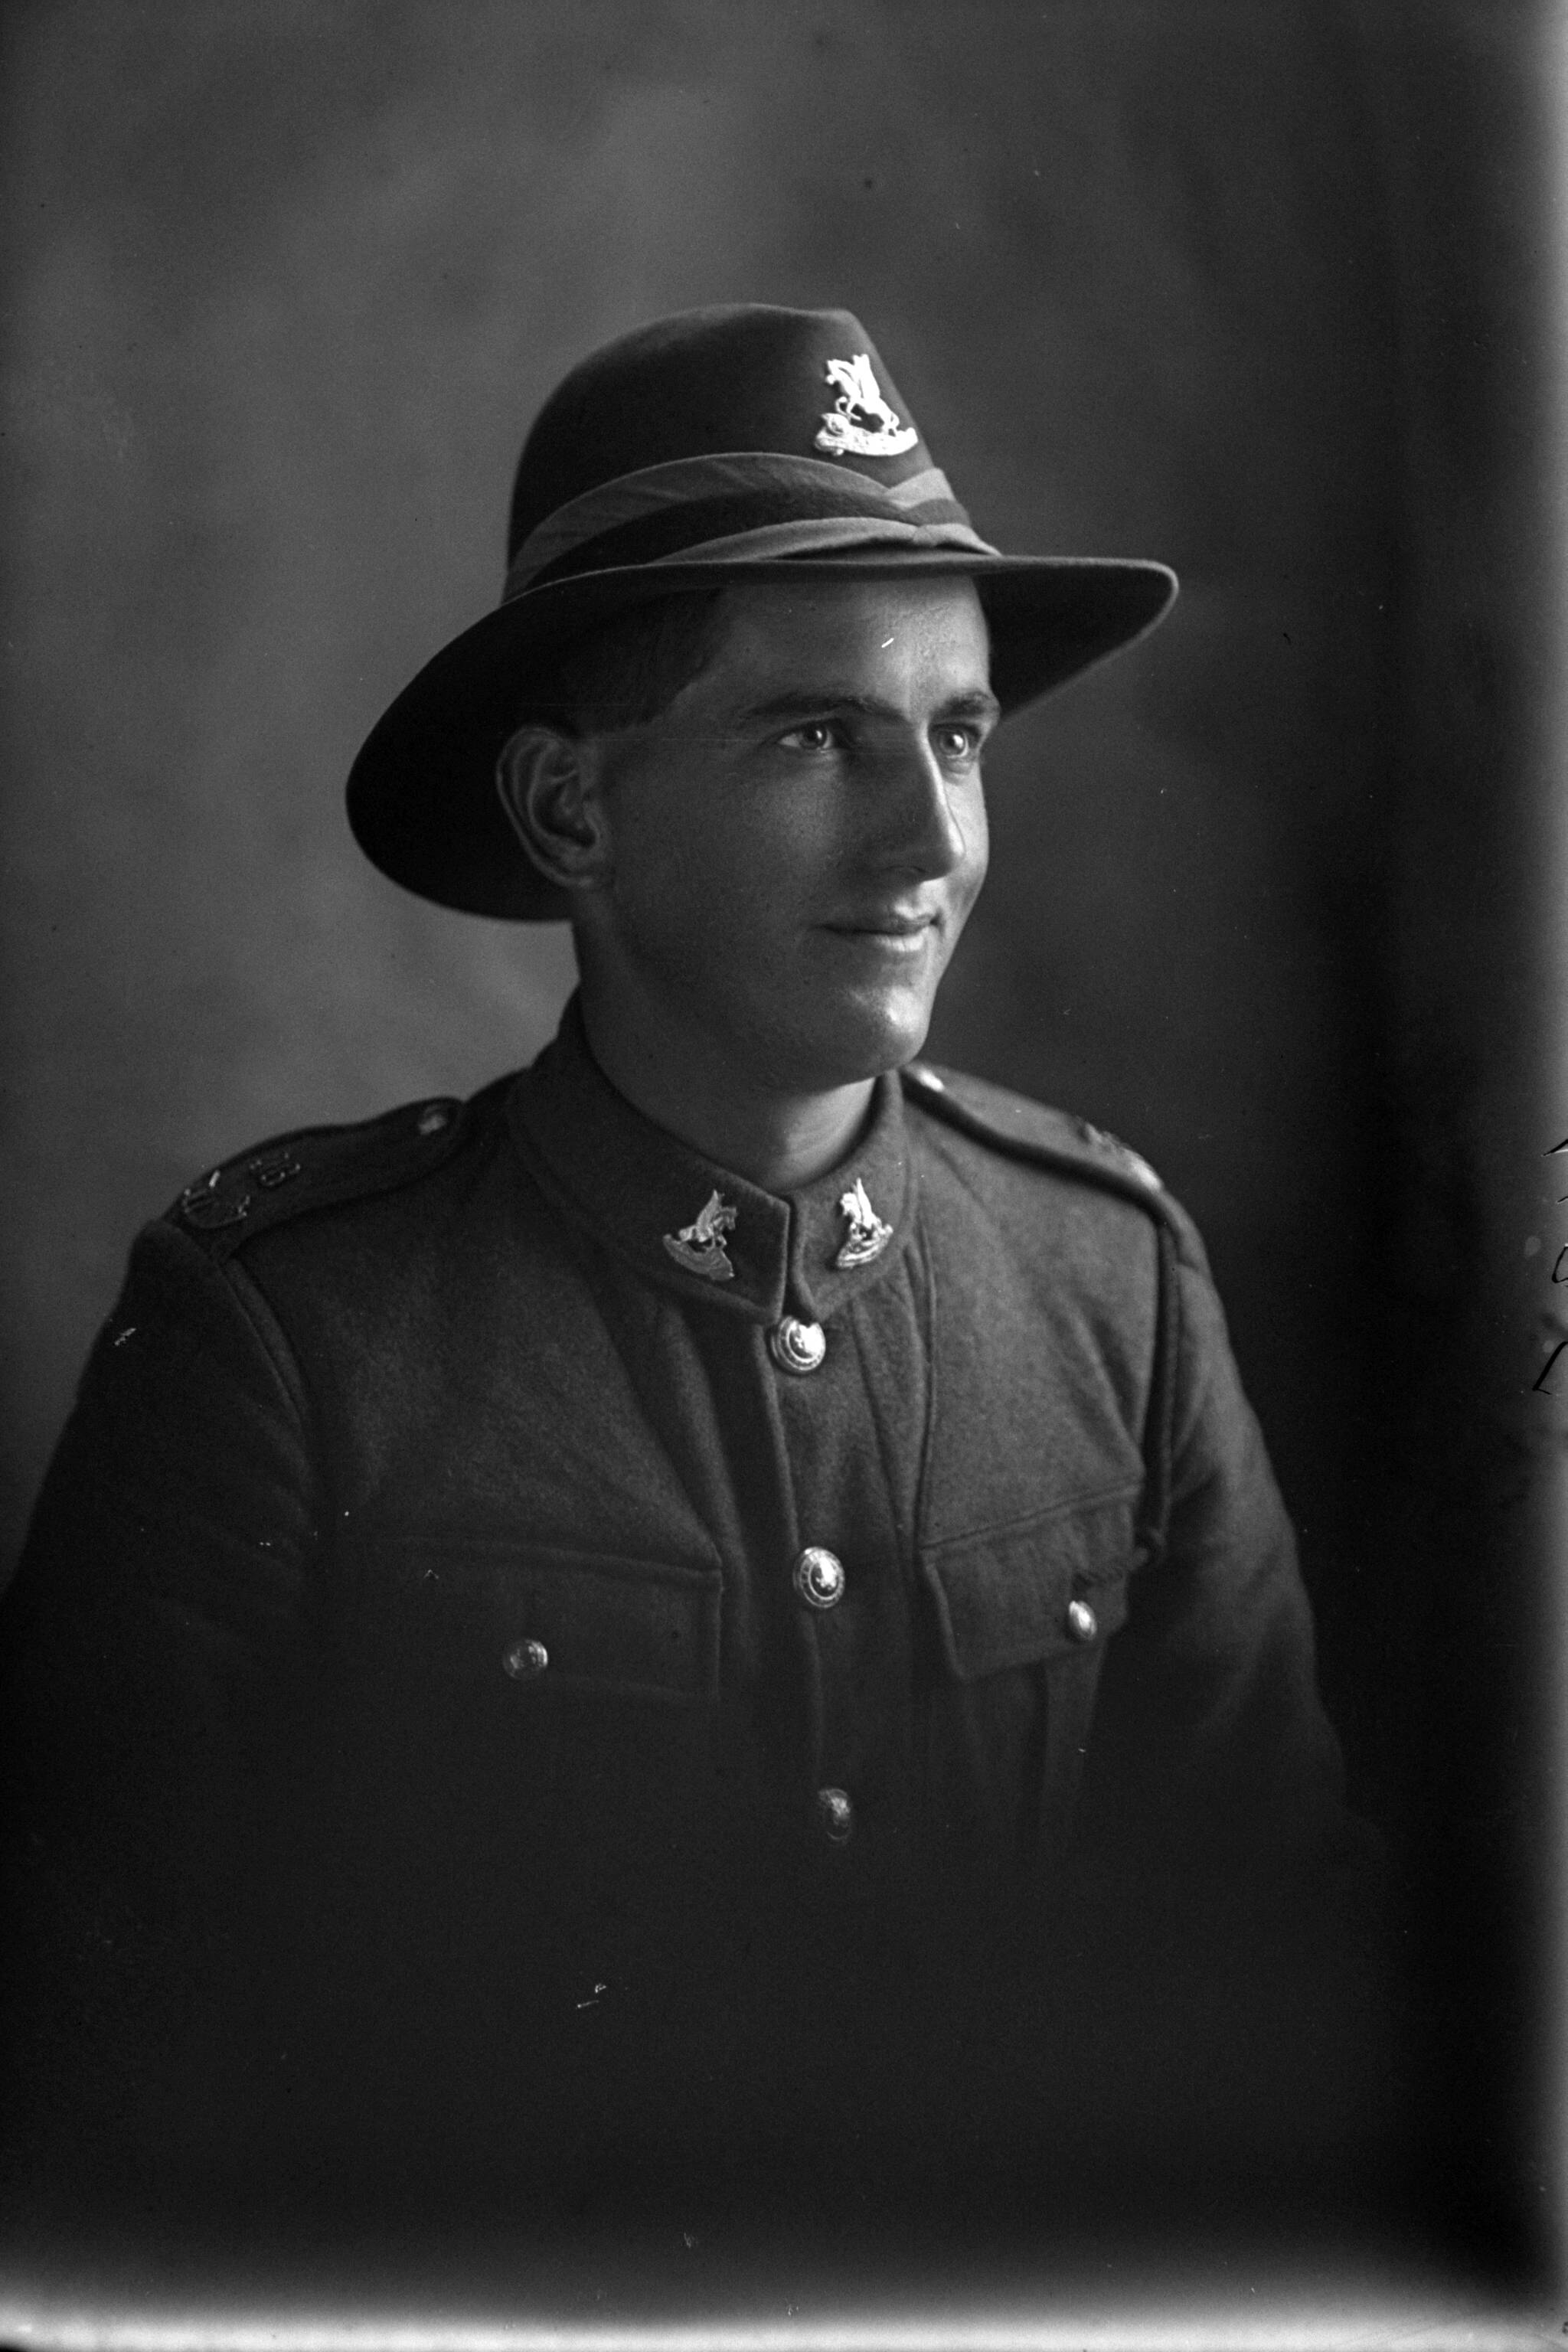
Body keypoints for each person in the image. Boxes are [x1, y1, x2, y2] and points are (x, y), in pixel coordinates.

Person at [0, 305, 1370, 2254]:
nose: (929, 840)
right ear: (574, 813)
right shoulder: (293, 1337)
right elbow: (90, 2070)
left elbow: (1274, 1947)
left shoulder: (1103, 1276)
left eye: (958, 736)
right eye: (817, 735)